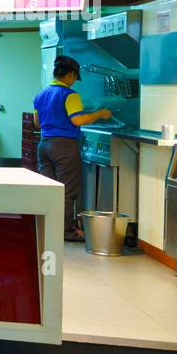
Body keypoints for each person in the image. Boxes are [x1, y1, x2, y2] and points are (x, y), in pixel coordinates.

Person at [33, 55, 113, 242]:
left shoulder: (41, 93)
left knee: (49, 189)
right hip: (64, 148)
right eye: (75, 78)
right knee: (66, 191)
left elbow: (37, 123)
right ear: (70, 75)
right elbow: (77, 119)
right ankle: (66, 231)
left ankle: (47, 228)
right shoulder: (70, 95)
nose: (75, 81)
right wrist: (100, 113)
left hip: (44, 145)